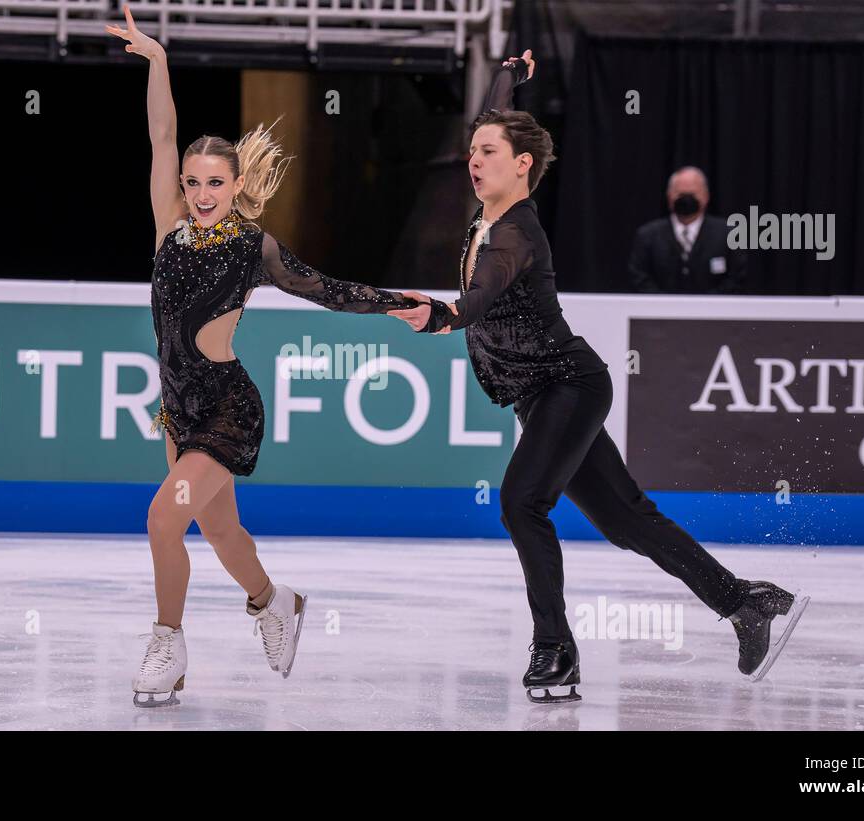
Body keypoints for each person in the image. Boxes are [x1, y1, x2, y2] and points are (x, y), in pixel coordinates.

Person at [390, 52, 807, 702]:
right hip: (543, 395)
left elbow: (482, 294)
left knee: (521, 502)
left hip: (570, 386)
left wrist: (443, 316)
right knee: (627, 522)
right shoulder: (491, 210)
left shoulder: (515, 234)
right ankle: (743, 602)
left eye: (487, 152)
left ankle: (555, 649)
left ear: (521, 164)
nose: (473, 160)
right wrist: (509, 72)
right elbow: (494, 113)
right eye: (471, 151)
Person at [109, 6, 420, 706]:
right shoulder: (168, 231)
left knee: (163, 518)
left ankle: (168, 645)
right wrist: (158, 61)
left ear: (235, 184)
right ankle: (274, 601)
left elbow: (328, 290)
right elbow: (162, 135)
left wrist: (394, 302)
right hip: (178, 411)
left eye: (215, 183)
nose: (202, 194)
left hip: (228, 408)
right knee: (221, 530)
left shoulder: (255, 249)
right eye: (193, 183)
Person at [628, 166, 747, 294]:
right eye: (681, 194)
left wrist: (707, 302)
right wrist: (664, 303)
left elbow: (737, 277)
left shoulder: (728, 234)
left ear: (706, 196)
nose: (686, 200)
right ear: (669, 196)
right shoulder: (648, 235)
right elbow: (639, 277)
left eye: (692, 194)